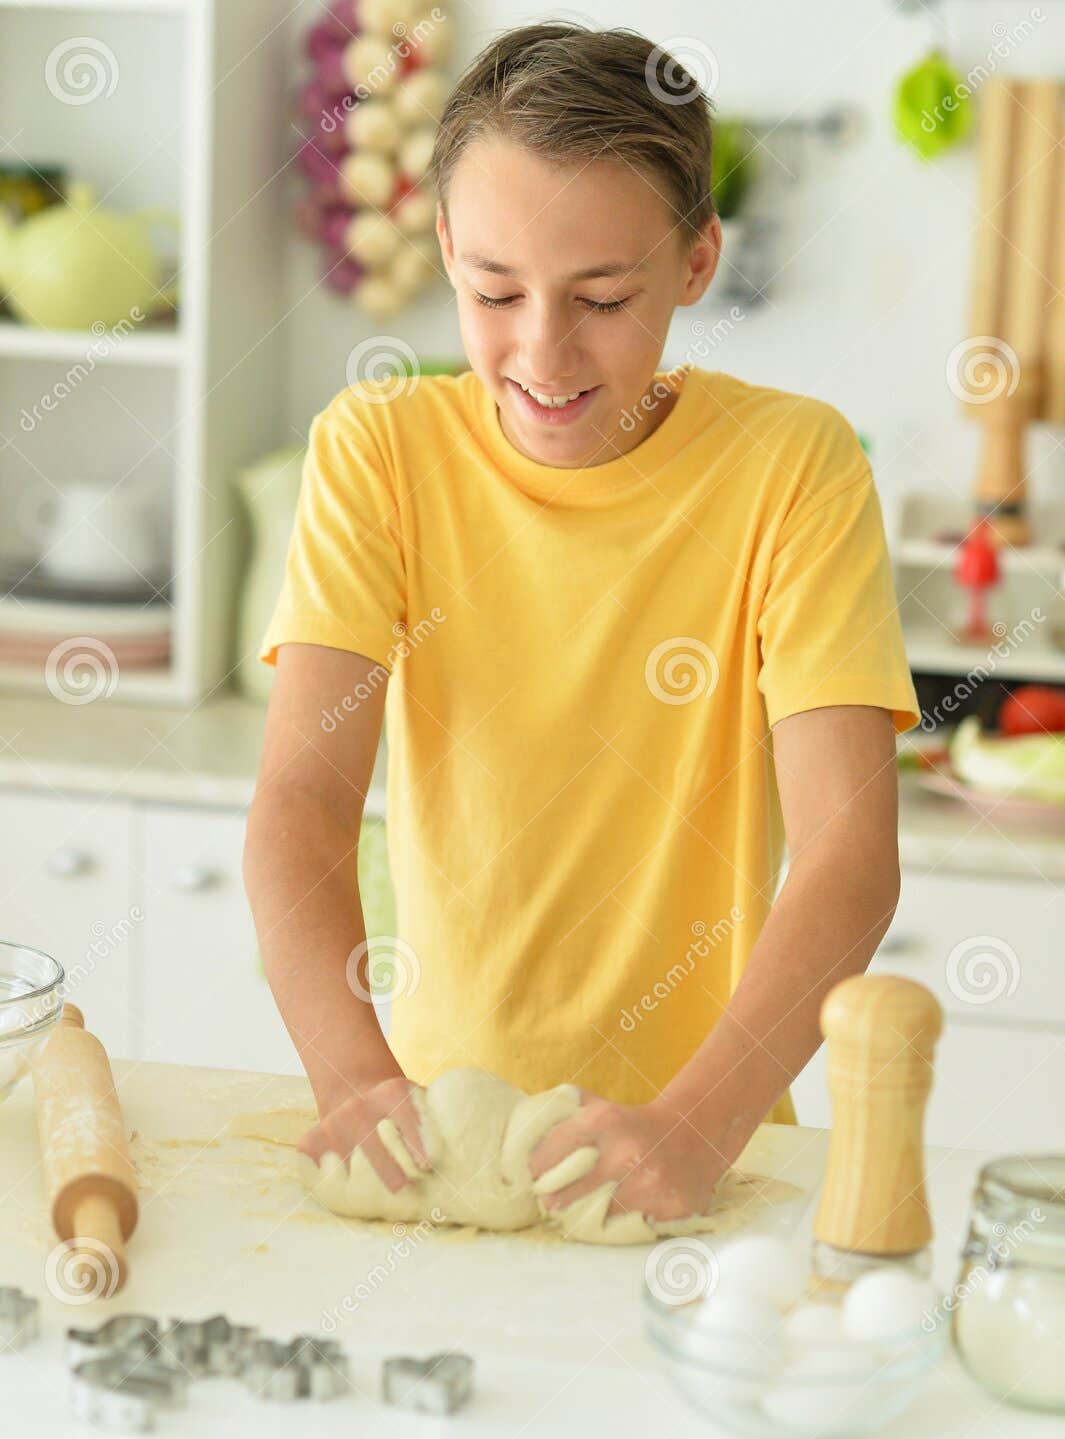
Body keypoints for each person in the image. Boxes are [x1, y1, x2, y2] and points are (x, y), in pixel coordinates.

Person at [244, 23, 918, 1227]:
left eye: (603, 297)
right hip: (446, 1142)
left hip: (709, 1161)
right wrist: (354, 1082)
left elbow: (849, 858)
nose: (543, 352)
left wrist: (698, 1129)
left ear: (698, 262)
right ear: (445, 247)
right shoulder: (378, 454)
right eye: (495, 291)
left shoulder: (793, 468)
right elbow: (300, 806)